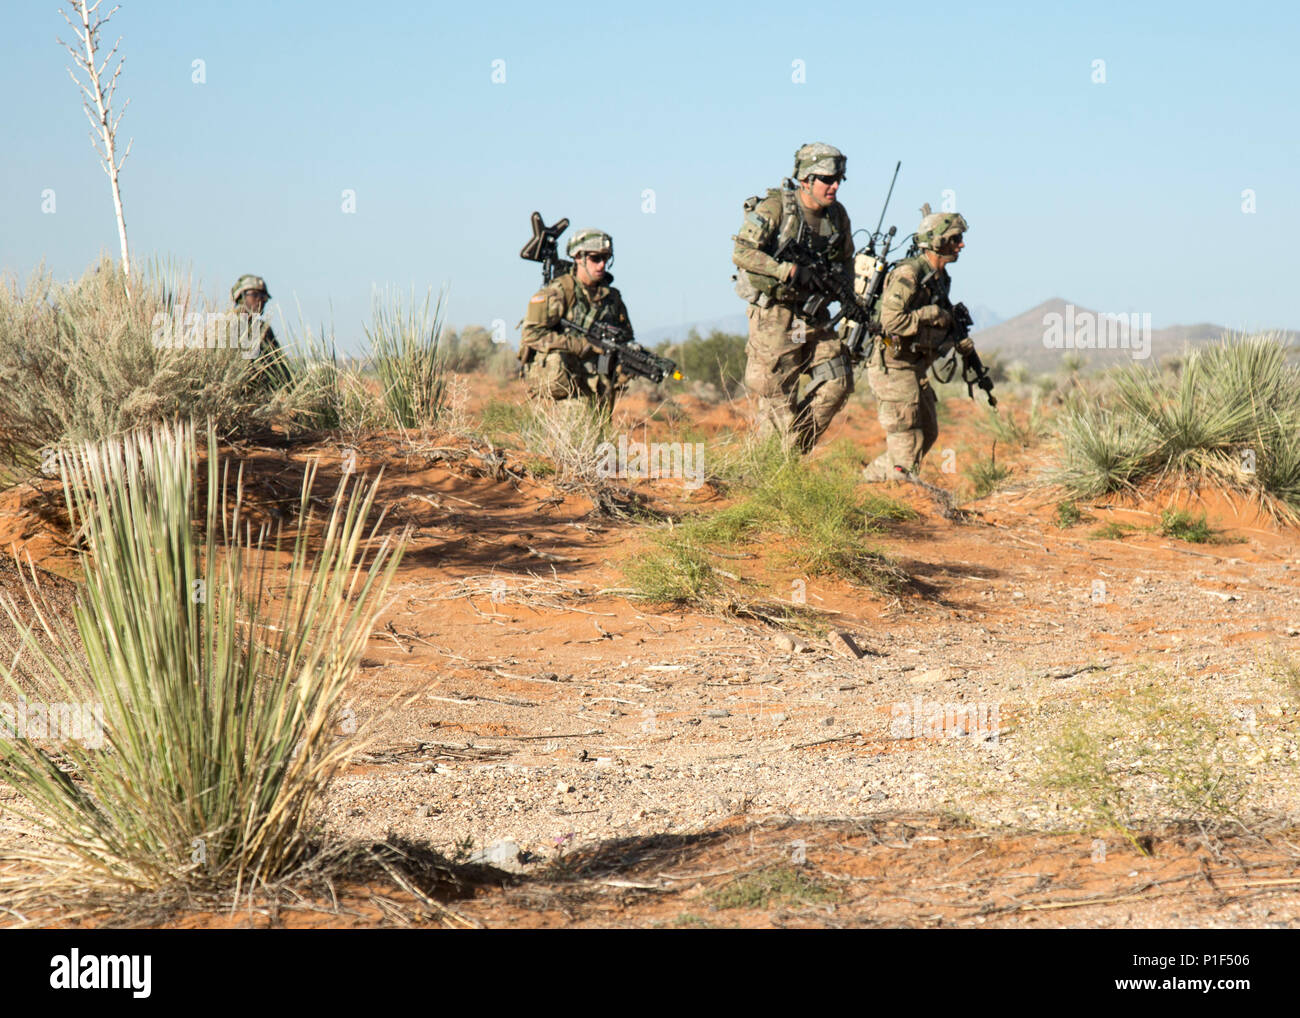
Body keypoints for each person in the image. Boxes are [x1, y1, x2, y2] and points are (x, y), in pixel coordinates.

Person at [732, 142, 855, 453]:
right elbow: (742, 253)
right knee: (776, 401)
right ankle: (771, 473)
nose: (835, 185)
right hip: (776, 316)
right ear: (805, 180)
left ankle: (792, 453)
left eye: (838, 178)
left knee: (838, 381)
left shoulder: (837, 216)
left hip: (815, 315)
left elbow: (846, 261)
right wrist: (787, 271)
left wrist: (848, 294)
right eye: (827, 179)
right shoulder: (777, 208)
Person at [861, 207, 970, 481]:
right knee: (907, 441)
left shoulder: (940, 279)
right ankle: (898, 503)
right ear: (938, 241)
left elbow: (934, 325)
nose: (961, 245)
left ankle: (866, 485)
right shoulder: (908, 274)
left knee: (928, 433)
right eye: (955, 239)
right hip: (893, 367)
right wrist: (930, 314)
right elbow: (891, 321)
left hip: (915, 368)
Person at [519, 228, 631, 414]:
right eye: (596, 258)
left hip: (600, 384)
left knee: (598, 436)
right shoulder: (559, 292)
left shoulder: (612, 298)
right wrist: (580, 345)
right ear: (579, 257)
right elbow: (531, 334)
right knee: (577, 439)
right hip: (568, 385)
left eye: (606, 259)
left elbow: (626, 335)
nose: (602, 265)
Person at [228, 274, 291, 390]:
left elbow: (282, 369)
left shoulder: (264, 329)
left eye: (263, 296)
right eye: (255, 295)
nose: (261, 300)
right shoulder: (226, 326)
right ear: (241, 296)